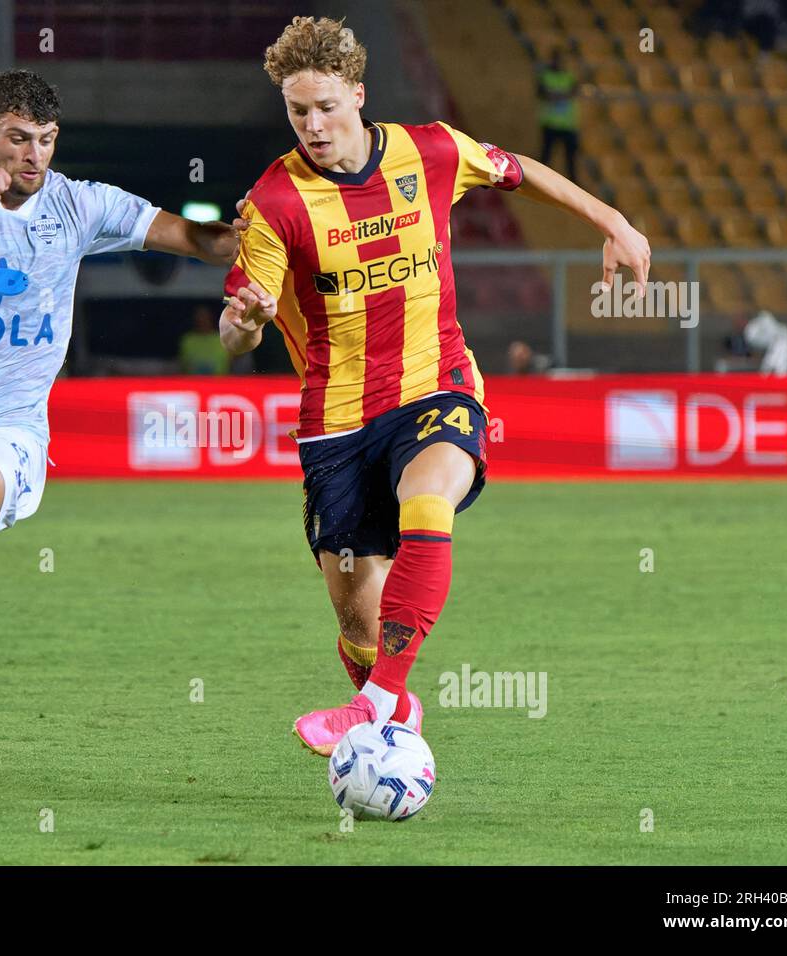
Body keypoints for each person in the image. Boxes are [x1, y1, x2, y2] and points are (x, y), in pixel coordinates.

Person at [221, 17, 649, 756]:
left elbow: (518, 166)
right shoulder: (274, 205)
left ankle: (379, 700)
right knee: (357, 624)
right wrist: (248, 322)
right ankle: (391, 708)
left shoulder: (430, 150)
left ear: (358, 94)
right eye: (298, 112)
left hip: (436, 387)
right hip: (337, 426)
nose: (314, 126)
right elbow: (237, 334)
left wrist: (612, 220)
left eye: (326, 106)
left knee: (429, 498)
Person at [0, 69, 243, 797]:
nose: (34, 156)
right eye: (19, 139)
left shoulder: (80, 206)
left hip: (8, 429)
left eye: (47, 141)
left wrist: (250, 231)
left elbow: (192, 238)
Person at [537, 49, 578, 182]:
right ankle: (539, 181)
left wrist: (555, 95)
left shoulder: (569, 77)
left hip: (568, 125)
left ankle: (574, 184)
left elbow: (574, 91)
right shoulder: (545, 76)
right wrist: (563, 94)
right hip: (551, 124)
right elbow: (543, 94)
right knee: (546, 157)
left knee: (570, 160)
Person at [177, 304, 229, 374]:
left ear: (211, 318)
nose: (202, 320)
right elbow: (182, 365)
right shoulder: (188, 340)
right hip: (193, 382)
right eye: (199, 317)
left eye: (205, 317)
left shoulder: (222, 338)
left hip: (219, 382)